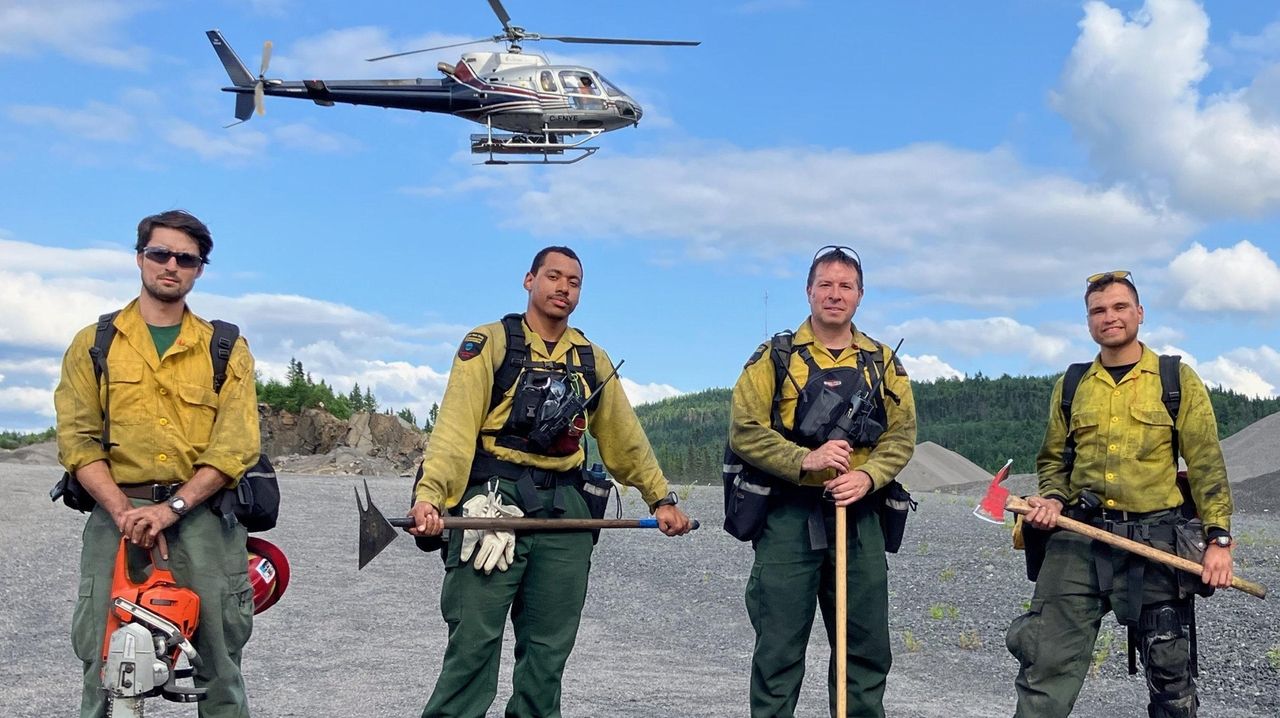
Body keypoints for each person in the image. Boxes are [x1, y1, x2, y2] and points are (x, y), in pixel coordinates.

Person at [408, 246, 692, 718]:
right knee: (473, 649)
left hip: (566, 512)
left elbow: (625, 438)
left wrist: (661, 498)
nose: (563, 288)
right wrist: (430, 497)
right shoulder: (491, 343)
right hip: (493, 505)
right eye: (553, 277)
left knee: (547, 657)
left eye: (574, 281)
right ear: (529, 280)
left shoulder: (590, 359)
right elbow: (455, 429)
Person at [54, 209, 260, 717]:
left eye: (186, 258)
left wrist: (171, 509)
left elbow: (235, 445)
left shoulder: (225, 347)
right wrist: (124, 511)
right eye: (160, 253)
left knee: (220, 670)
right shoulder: (94, 344)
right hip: (115, 517)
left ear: (199, 270)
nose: (172, 265)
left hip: (203, 521)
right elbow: (78, 441)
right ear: (140, 257)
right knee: (104, 669)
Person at [1008, 270, 1234, 718]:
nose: (1109, 317)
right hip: (1078, 540)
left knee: (1171, 675)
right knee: (1044, 664)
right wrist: (1051, 499)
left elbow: (1206, 463)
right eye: (1098, 311)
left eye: (1119, 307)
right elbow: (1053, 460)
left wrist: (1219, 539)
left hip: (1155, 542)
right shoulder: (1072, 386)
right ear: (1088, 321)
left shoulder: (1176, 380)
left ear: (1139, 313)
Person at [729, 245, 916, 718]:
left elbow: (901, 437)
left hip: (859, 517)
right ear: (810, 291)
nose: (835, 294)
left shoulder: (884, 362)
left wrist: (869, 476)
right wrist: (804, 458)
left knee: (865, 652)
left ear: (860, 295)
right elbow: (744, 430)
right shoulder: (774, 357)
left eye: (845, 286)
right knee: (778, 651)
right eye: (826, 285)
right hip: (788, 518)